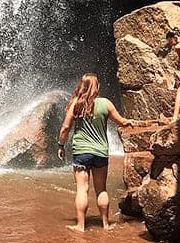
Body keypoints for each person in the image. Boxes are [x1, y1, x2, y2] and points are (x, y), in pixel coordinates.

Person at [57, 73, 132, 233]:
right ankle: (106, 225)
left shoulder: (76, 104)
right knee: (101, 189)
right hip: (101, 152)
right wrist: (130, 122)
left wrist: (61, 145)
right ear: (97, 87)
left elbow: (65, 128)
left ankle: (80, 226)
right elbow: (122, 122)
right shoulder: (105, 104)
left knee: (82, 189)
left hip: (81, 152)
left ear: (82, 86)